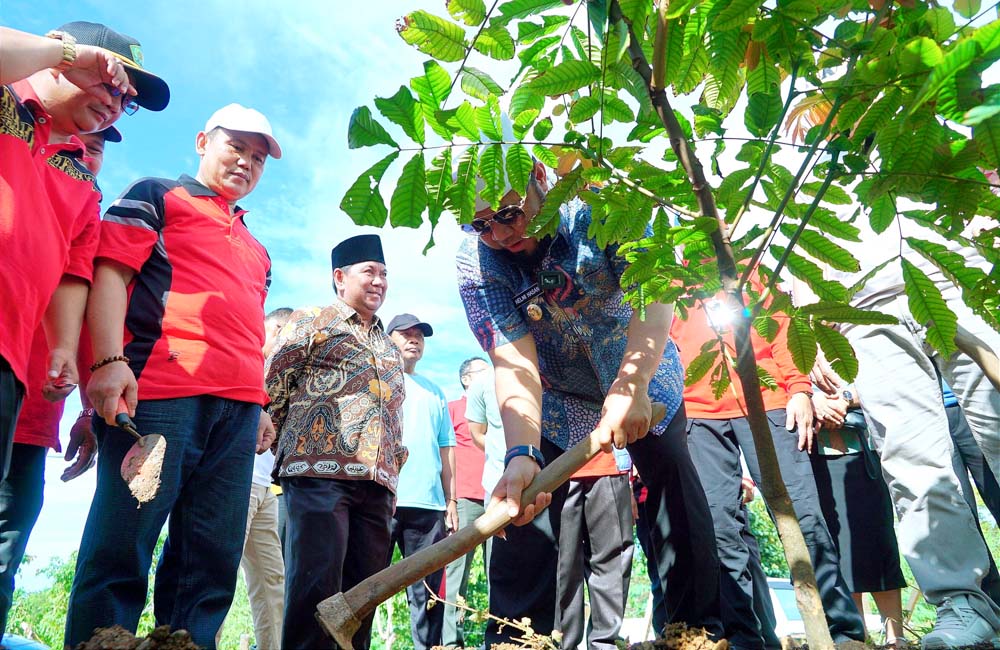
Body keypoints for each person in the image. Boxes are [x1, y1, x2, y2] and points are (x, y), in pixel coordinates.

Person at [455, 160, 722, 646]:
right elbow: (514, 360)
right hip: (556, 397)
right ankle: (518, 638)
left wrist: (631, 385)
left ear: (538, 176)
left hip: (638, 362)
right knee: (524, 500)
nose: (497, 234)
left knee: (671, 485)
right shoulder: (476, 262)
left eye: (509, 214)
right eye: (481, 224)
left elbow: (653, 293)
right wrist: (520, 454)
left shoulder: (601, 205)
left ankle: (696, 631)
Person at [65, 103, 281, 649]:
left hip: (237, 412)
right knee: (123, 540)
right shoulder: (157, 195)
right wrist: (108, 362)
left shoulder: (260, 251)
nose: (246, 163)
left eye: (258, 158)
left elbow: (248, 329)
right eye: (237, 147)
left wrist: (258, 406)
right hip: (160, 395)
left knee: (210, 556)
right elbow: (109, 274)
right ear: (203, 140)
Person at [811, 218, 1000, 649]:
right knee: (911, 462)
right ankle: (962, 600)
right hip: (861, 309)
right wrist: (818, 325)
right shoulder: (794, 154)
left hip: (960, 276)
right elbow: (798, 235)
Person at [0, 21, 167, 482]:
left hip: (11, 361)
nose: (116, 103)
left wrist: (63, 346)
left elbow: (73, 270)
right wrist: (65, 54)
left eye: (125, 101)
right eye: (110, 82)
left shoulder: (74, 175)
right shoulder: (6, 102)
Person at [670, 289, 866, 648]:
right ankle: (744, 637)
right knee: (719, 528)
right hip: (698, 415)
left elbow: (781, 328)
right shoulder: (667, 277)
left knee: (802, 514)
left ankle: (841, 631)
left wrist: (799, 390)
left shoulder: (750, 264)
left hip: (772, 402)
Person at [0, 125, 120, 641]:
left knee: (7, 549)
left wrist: (89, 414)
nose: (87, 157)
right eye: (81, 144)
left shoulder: (85, 213)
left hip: (32, 418)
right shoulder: (18, 162)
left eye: (95, 151)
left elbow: (90, 314)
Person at [266, 234, 407, 650]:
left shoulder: (387, 344)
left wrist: (394, 467)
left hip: (377, 485)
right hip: (316, 475)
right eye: (369, 272)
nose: (379, 281)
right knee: (317, 589)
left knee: (363, 596)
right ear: (340, 277)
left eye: (384, 274)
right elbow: (274, 383)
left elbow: (393, 414)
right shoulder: (314, 318)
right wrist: (273, 439)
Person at [218, 307, 294, 650]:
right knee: (219, 569)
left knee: (272, 579)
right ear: (274, 328)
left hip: (267, 489)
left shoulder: (282, 373)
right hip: (234, 480)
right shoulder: (245, 360)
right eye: (287, 335)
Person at [809, 390, 908, 647]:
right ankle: (856, 637)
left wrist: (843, 399)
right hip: (811, 456)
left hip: (864, 450)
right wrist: (812, 400)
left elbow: (883, 380)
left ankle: (896, 638)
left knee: (878, 542)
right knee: (837, 552)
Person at [385, 313, 457, 650]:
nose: (414, 340)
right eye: (406, 334)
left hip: (429, 507)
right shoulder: (376, 382)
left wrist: (451, 501)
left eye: (420, 336)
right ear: (389, 340)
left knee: (428, 595)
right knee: (364, 585)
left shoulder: (435, 392)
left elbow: (447, 449)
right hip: (381, 501)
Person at [555, 447, 634, 649]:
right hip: (556, 470)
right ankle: (559, 643)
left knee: (613, 568)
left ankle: (605, 644)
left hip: (610, 464)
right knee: (561, 570)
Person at [442, 356, 490, 648]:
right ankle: (451, 642)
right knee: (456, 574)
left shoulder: (499, 413)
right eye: (482, 373)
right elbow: (444, 454)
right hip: (466, 501)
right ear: (466, 379)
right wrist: (451, 501)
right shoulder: (453, 409)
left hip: (498, 499)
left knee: (499, 572)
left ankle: (500, 638)